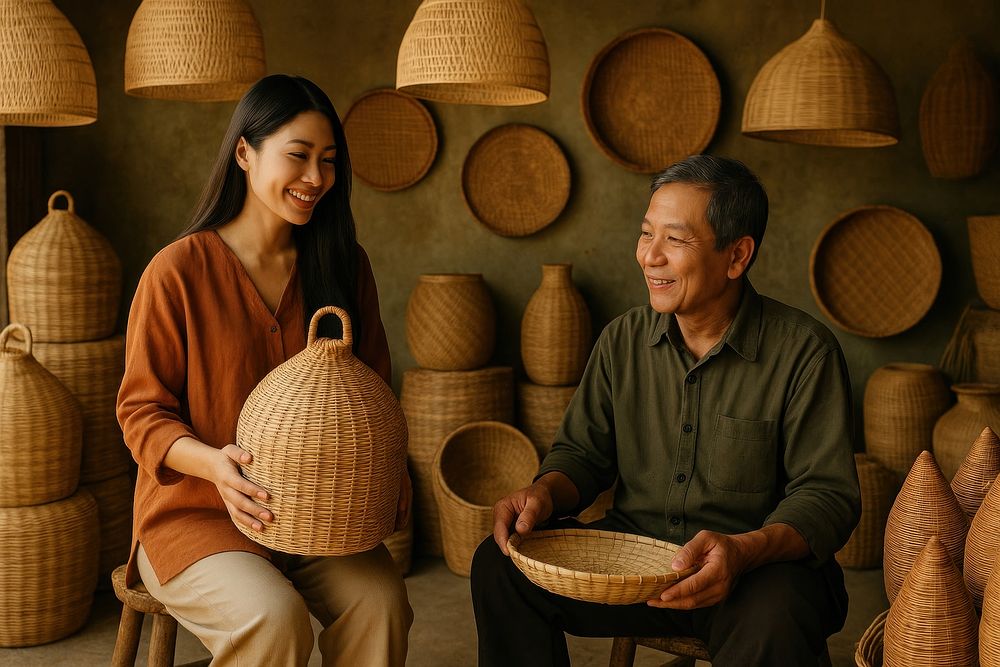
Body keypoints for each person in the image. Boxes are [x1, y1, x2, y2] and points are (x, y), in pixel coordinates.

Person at [471, 155, 861, 666]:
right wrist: (543, 492)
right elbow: (582, 455)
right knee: (499, 567)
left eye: (674, 240)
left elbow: (827, 496)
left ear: (737, 256)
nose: (649, 256)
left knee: (778, 615)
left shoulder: (805, 352)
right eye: (645, 233)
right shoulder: (622, 340)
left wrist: (743, 551)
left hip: (751, 575)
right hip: (633, 564)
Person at [117, 74, 412, 667]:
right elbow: (140, 413)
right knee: (271, 618)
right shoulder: (177, 271)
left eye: (328, 161)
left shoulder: (344, 265)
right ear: (245, 153)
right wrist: (217, 468)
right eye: (298, 156)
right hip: (195, 516)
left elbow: (376, 392)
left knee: (382, 603)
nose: (316, 179)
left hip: (317, 515)